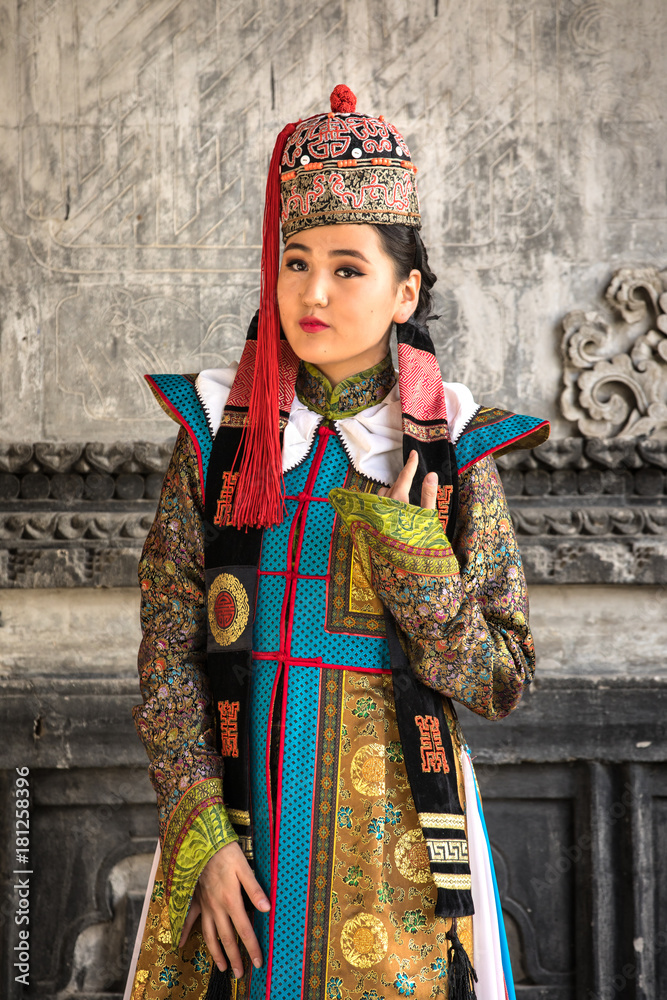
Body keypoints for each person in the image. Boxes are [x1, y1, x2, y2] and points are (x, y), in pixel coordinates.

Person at [125, 85, 549, 1000]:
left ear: (404, 293)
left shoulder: (453, 451)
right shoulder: (212, 436)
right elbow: (168, 656)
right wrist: (202, 836)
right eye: (295, 262)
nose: (312, 293)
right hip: (237, 826)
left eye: (347, 270)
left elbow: (499, 679)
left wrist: (410, 549)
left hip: (395, 836)